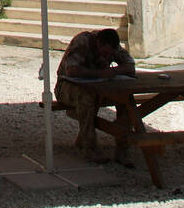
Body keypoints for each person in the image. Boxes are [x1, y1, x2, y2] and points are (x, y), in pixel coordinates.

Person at [54, 27, 136, 166]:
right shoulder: (82, 42)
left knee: (126, 99)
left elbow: (130, 66)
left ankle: (123, 148)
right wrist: (99, 73)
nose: (107, 57)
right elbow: (72, 70)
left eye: (110, 54)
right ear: (99, 43)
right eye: (104, 53)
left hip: (98, 87)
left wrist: (114, 71)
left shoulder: (112, 46)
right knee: (86, 99)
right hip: (67, 86)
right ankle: (90, 147)